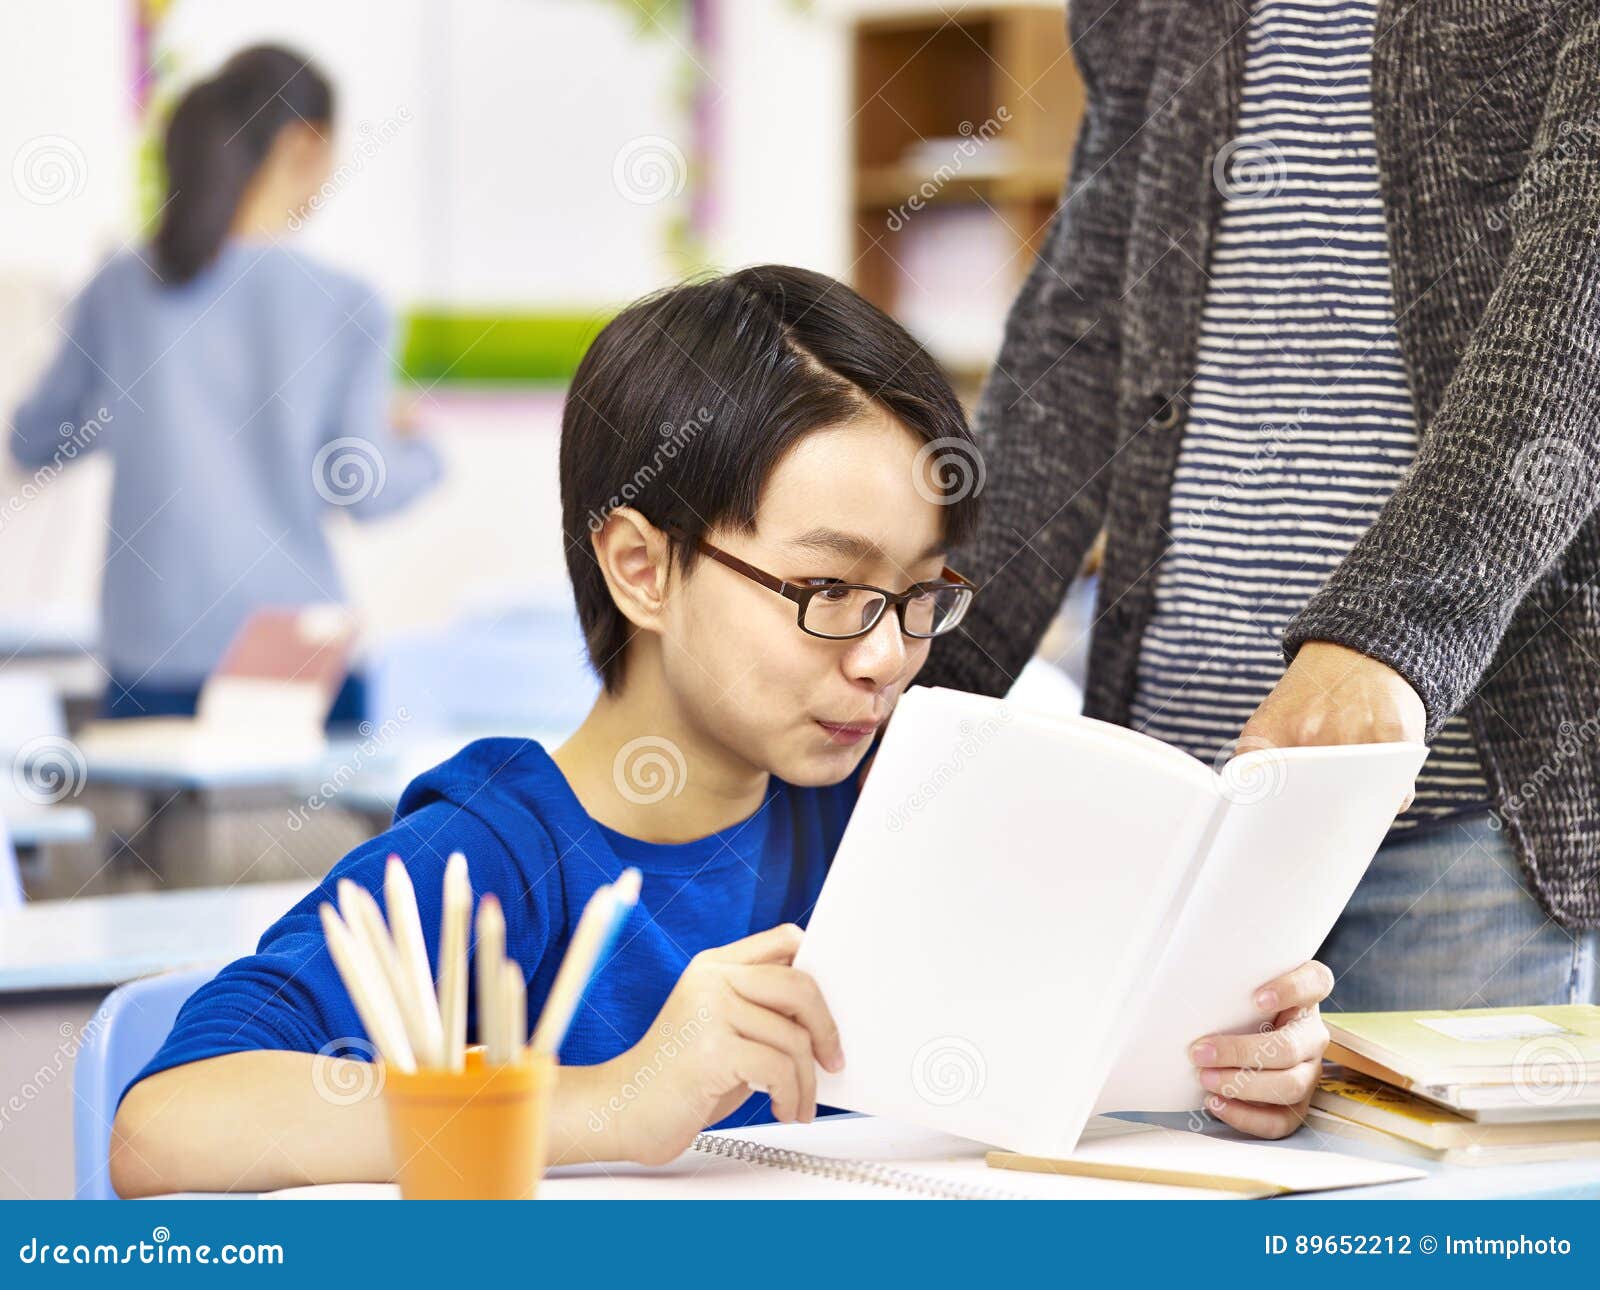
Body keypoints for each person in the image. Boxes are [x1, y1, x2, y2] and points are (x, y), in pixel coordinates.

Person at [109, 266, 1334, 1197]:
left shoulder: (897, 819)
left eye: (918, 596)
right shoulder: (492, 860)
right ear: (641, 567)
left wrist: (1217, 1071)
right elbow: (166, 1125)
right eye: (827, 592)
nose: (886, 655)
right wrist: (613, 1102)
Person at [917, 0, 1600, 1011]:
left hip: (1457, 834)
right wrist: (930, 671)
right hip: (1165, 812)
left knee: (1439, 1174)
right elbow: (1086, 319)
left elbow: (1576, 294)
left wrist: (1393, 636)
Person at [9, 46, 441, 723]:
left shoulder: (120, 286)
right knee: (311, 834)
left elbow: (35, 439)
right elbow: (366, 491)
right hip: (294, 653)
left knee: (156, 833)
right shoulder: (345, 303)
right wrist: (420, 447)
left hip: (145, 653)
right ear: (307, 143)